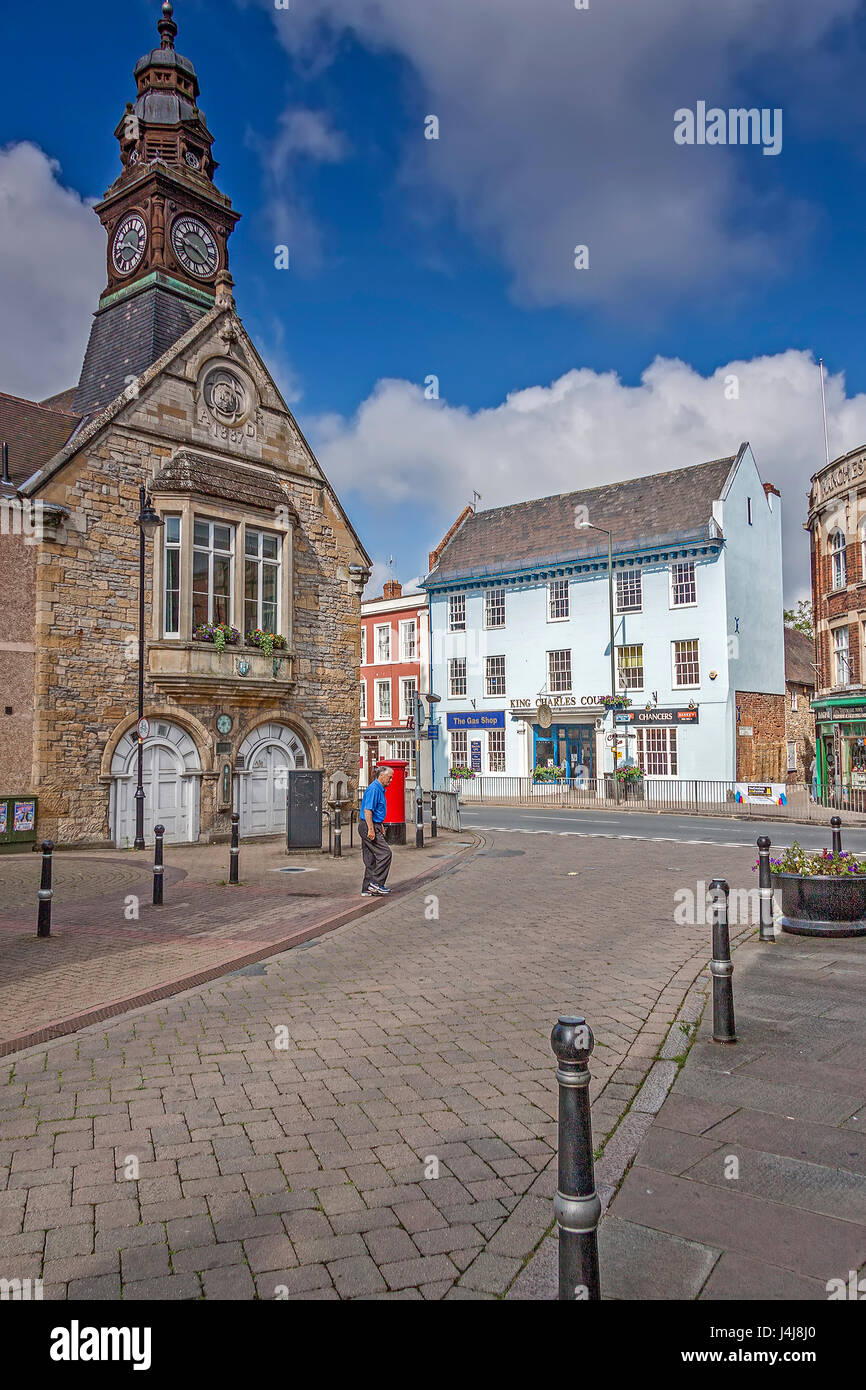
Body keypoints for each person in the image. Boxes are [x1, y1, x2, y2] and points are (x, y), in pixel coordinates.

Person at [359, 765, 393, 896]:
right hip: (368, 825)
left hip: (373, 824)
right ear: (381, 776)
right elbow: (368, 811)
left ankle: (367, 888)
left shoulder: (379, 789)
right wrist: (371, 829)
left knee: (370, 859)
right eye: (389, 778)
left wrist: (381, 826)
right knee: (385, 854)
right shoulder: (374, 789)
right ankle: (376, 883)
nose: (390, 780)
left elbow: (377, 811)